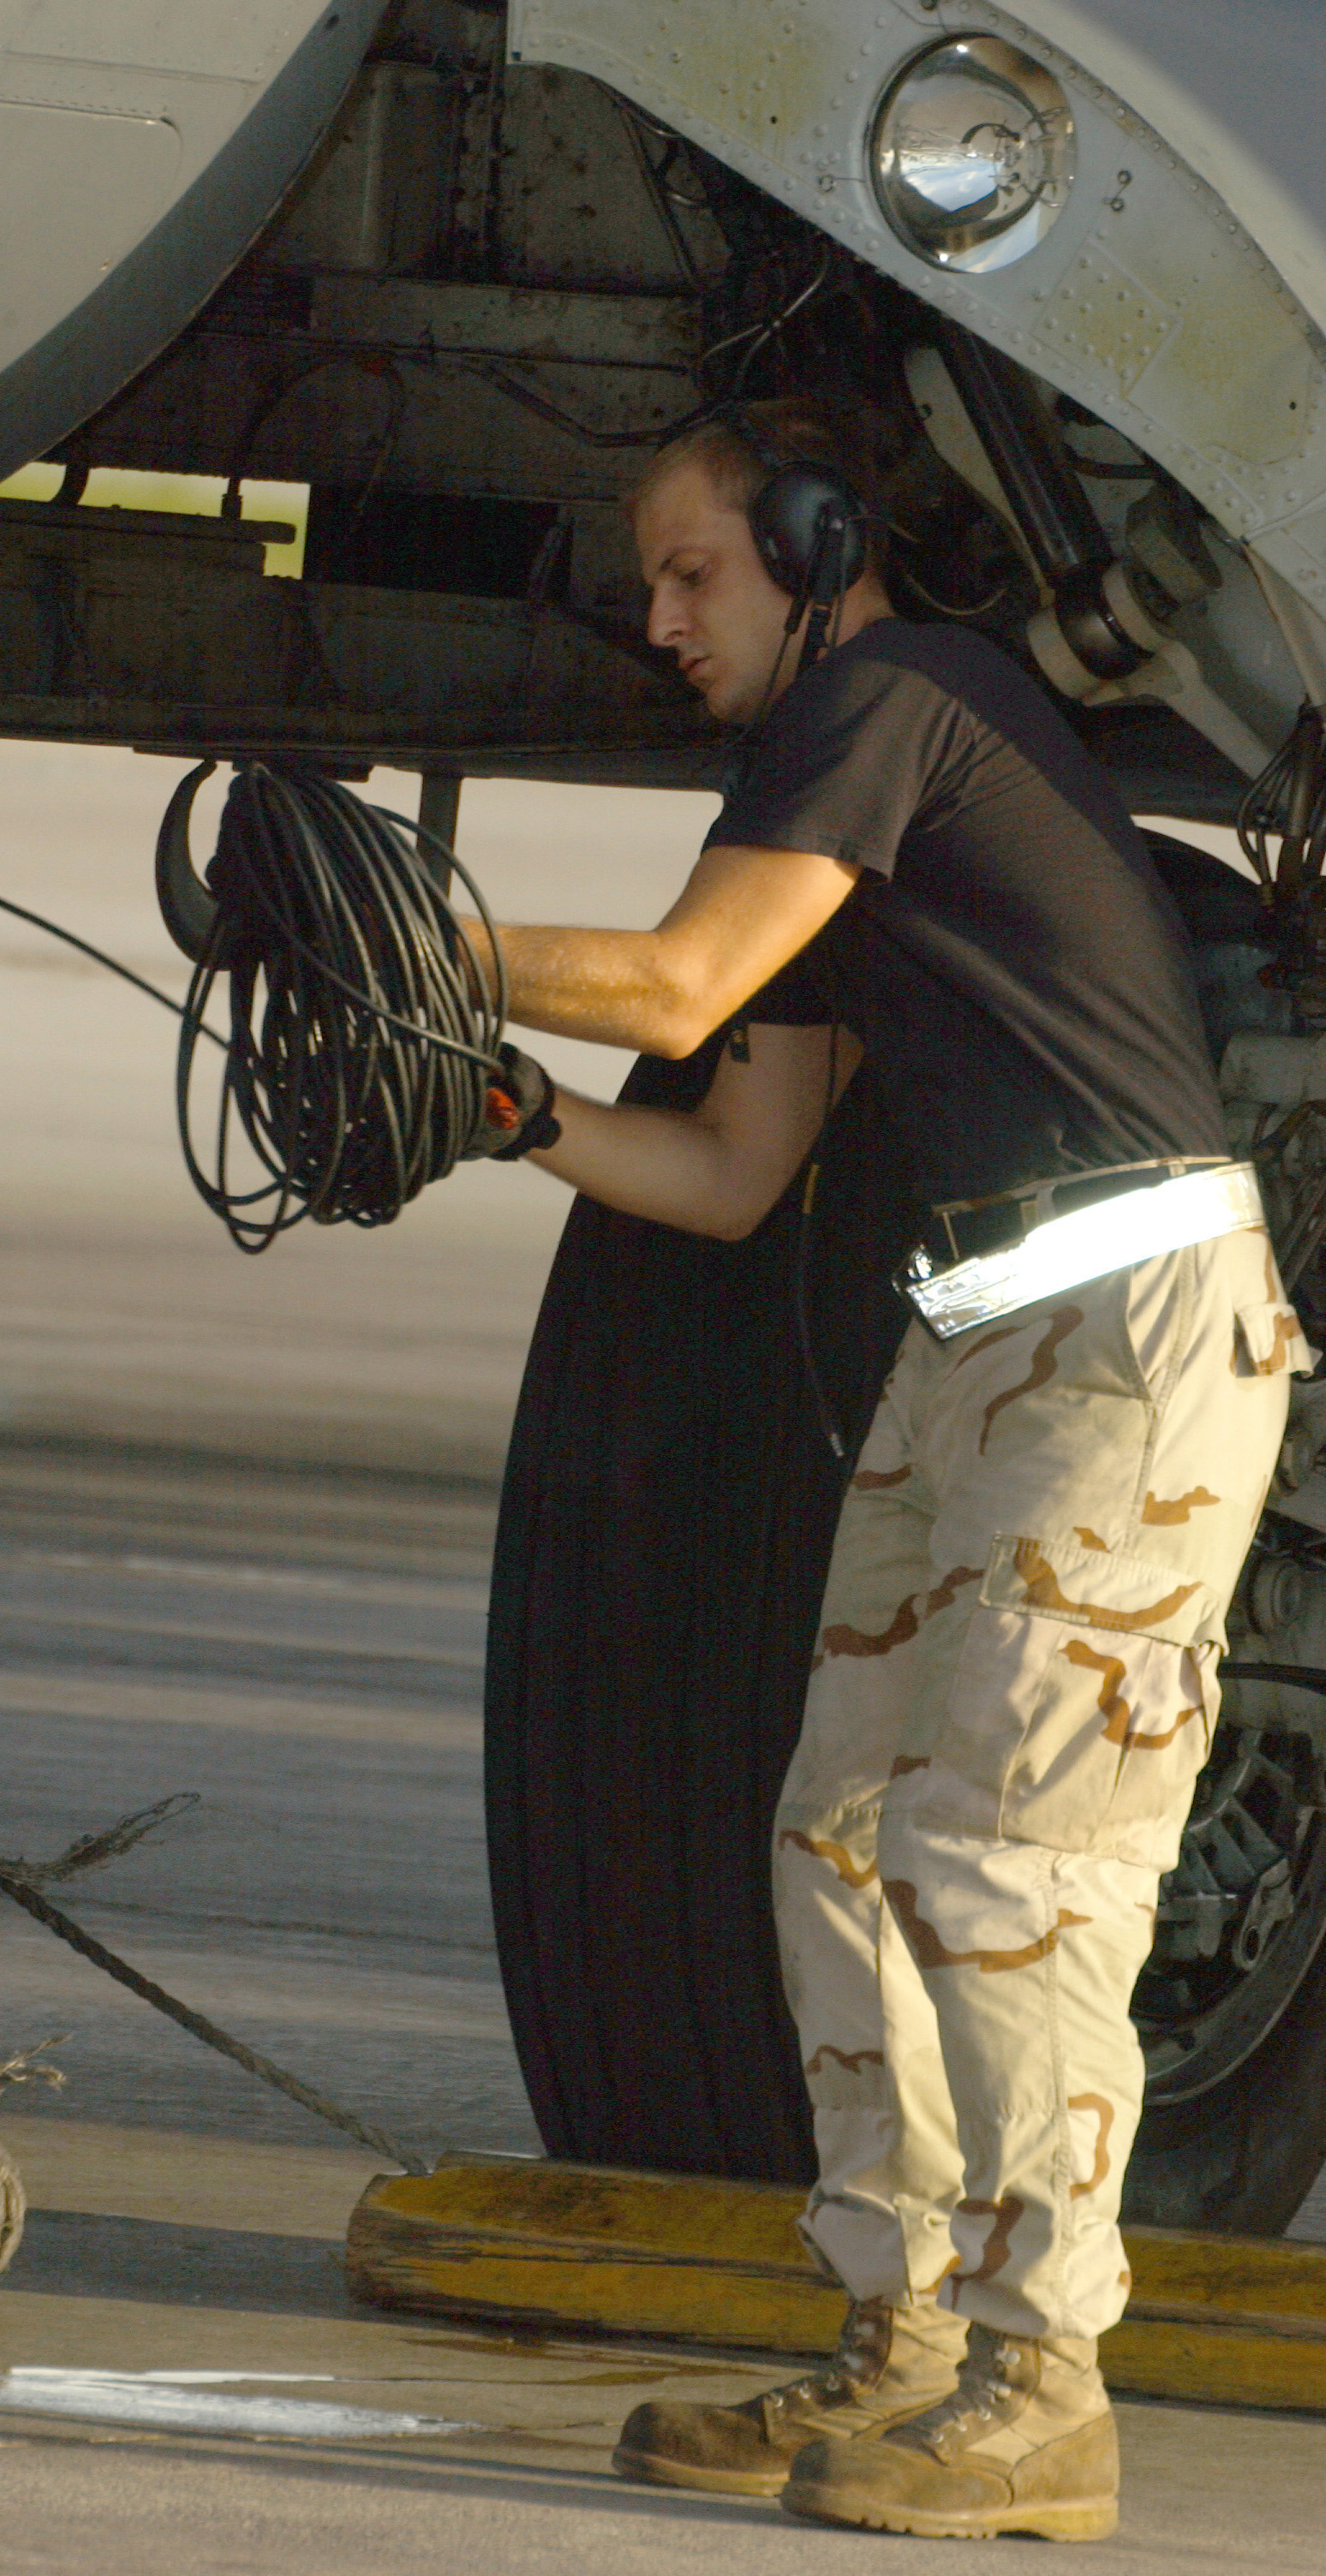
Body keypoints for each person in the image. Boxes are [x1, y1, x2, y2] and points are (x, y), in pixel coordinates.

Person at [458, 398, 1310, 2542]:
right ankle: (904, 2344)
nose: (659, 617)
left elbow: (671, 976)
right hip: (981, 1345)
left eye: (691, 572)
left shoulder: (893, 696)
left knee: (1015, 1868)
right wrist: (502, 1110)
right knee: (842, 1839)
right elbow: (735, 1165)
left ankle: (1047, 2389)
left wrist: (424, 943)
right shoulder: (834, 796)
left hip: (1120, 1335)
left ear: (823, 544)